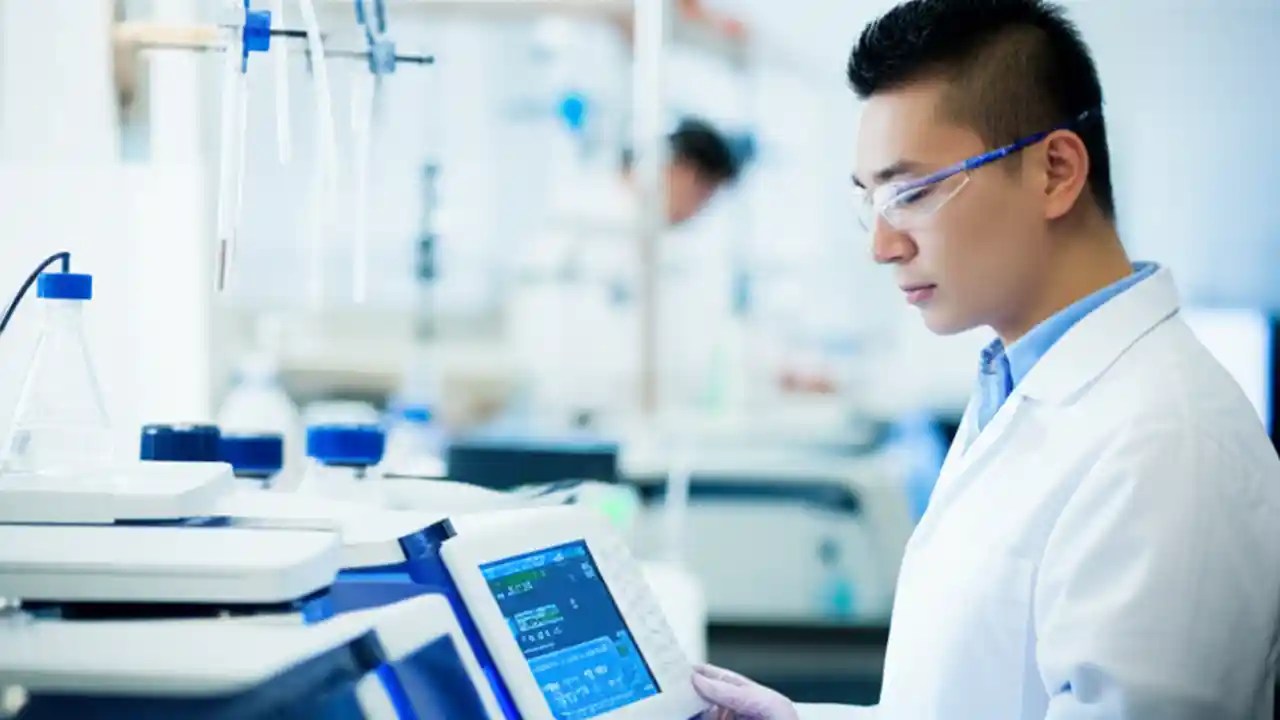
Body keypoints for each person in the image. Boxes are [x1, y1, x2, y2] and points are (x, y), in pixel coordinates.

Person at [692, 1, 1280, 718]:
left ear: (1055, 171)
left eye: (910, 192)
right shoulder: (1022, 381)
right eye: (870, 200)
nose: (882, 244)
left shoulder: (1168, 444)